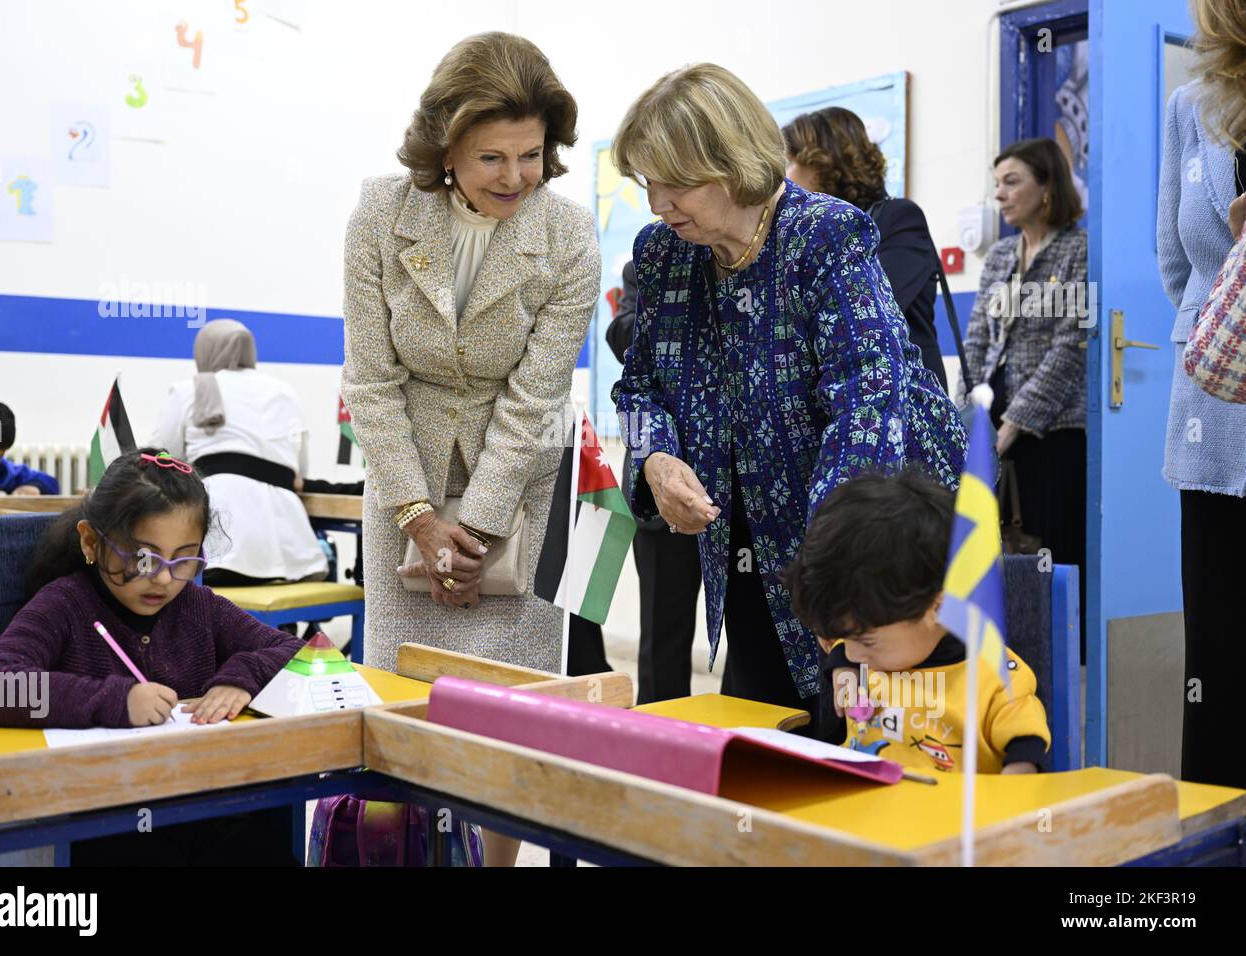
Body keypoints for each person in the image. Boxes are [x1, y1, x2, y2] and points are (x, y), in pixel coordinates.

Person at [610, 64, 967, 740]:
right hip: (740, 537)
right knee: (772, 735)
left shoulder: (827, 235)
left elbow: (869, 398)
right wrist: (656, 456)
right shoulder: (663, 254)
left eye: (675, 182)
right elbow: (637, 387)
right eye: (646, 183)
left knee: (873, 748)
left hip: (861, 550)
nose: (657, 203)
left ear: (730, 161)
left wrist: (827, 566)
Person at [341, 33, 600, 867]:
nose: (515, 177)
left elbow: (536, 399)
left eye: (532, 155)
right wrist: (418, 516)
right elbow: (371, 383)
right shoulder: (381, 214)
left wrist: (480, 525)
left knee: (507, 717)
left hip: (519, 485)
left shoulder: (567, 237)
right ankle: (398, 854)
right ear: (443, 144)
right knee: (400, 694)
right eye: (491, 156)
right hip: (403, 481)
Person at [0, 448, 302, 864]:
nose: (163, 578)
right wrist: (116, 700)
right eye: (143, 557)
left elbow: (297, 652)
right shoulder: (65, 605)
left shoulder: (198, 606)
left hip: (200, 804)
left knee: (263, 842)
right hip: (107, 819)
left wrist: (238, 678)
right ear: (91, 541)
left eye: (182, 559)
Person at [785, 472, 1050, 774]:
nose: (856, 655)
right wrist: (841, 669)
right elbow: (846, 650)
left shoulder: (996, 678)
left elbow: (1025, 757)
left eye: (866, 641)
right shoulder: (871, 648)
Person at [1157, 0, 1246, 791]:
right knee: (1217, 656)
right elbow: (1178, 265)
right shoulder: (1192, 105)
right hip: (1215, 419)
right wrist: (1221, 335)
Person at [962, 138, 1088, 588]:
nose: (999, 194)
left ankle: (1062, 652)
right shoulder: (999, 256)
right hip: (991, 416)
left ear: (1047, 187)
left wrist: (1013, 424)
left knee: (1052, 543)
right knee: (990, 546)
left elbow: (1071, 347)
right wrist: (970, 413)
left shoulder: (1080, 252)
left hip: (1052, 426)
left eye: (1011, 182)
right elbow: (976, 337)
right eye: (997, 183)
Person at [783, 107, 950, 390]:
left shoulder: (899, 218)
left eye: (788, 164)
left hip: (904, 398)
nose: (783, 179)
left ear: (822, 162)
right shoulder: (808, 235)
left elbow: (865, 309)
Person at [151, 319, 327, 585]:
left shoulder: (189, 390)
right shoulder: (285, 392)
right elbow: (300, 472)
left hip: (220, 552)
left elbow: (161, 463)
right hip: (293, 554)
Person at [606, 258, 703, 703]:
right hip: (660, 483)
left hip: (747, 487)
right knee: (662, 633)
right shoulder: (648, 264)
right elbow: (619, 334)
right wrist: (670, 314)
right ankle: (659, 747)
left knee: (755, 640)